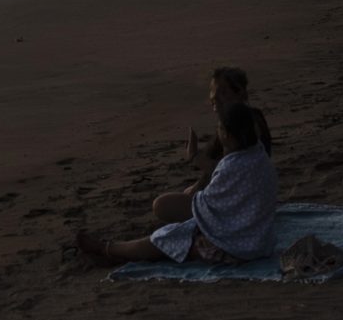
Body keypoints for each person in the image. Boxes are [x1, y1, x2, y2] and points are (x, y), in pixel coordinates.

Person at [77, 102, 278, 267]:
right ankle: (112, 250)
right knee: (177, 230)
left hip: (237, 248)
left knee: (165, 237)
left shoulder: (231, 166)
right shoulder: (258, 154)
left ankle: (109, 249)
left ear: (226, 135)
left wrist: (196, 204)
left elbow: (210, 204)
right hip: (258, 240)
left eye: (220, 128)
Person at [168, 65, 272, 215]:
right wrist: (196, 188)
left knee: (162, 205)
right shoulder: (229, 123)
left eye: (223, 92)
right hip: (230, 192)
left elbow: (229, 170)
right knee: (185, 194)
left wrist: (194, 156)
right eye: (212, 90)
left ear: (241, 93)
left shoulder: (245, 124)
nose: (214, 96)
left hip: (240, 198)